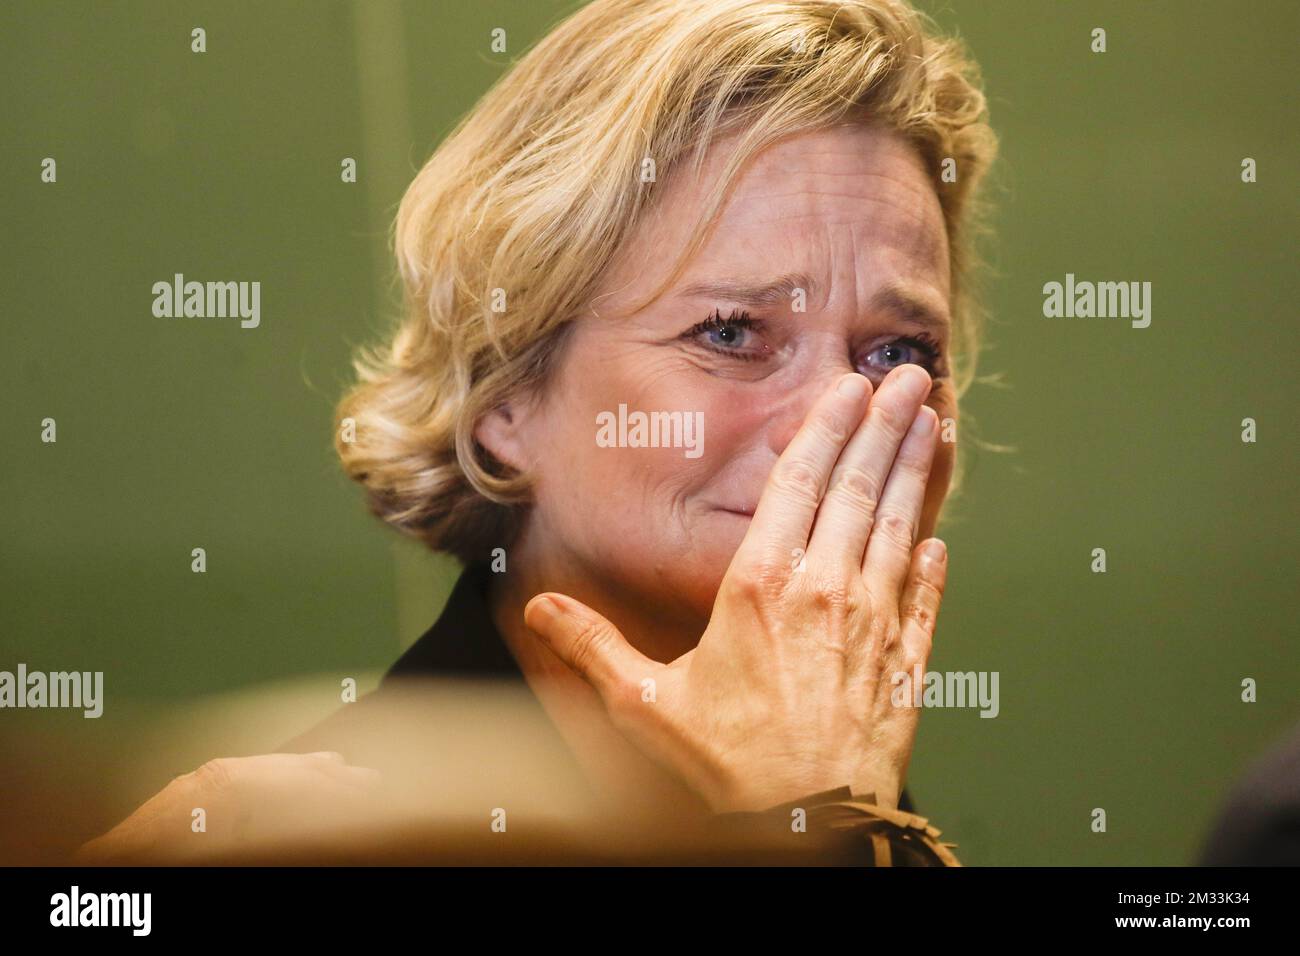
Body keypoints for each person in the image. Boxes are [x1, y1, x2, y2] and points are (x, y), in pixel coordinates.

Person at [77, 0, 997, 866]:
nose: (833, 421)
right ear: (506, 396)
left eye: (899, 354)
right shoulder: (324, 843)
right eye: (730, 333)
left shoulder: (854, 781)